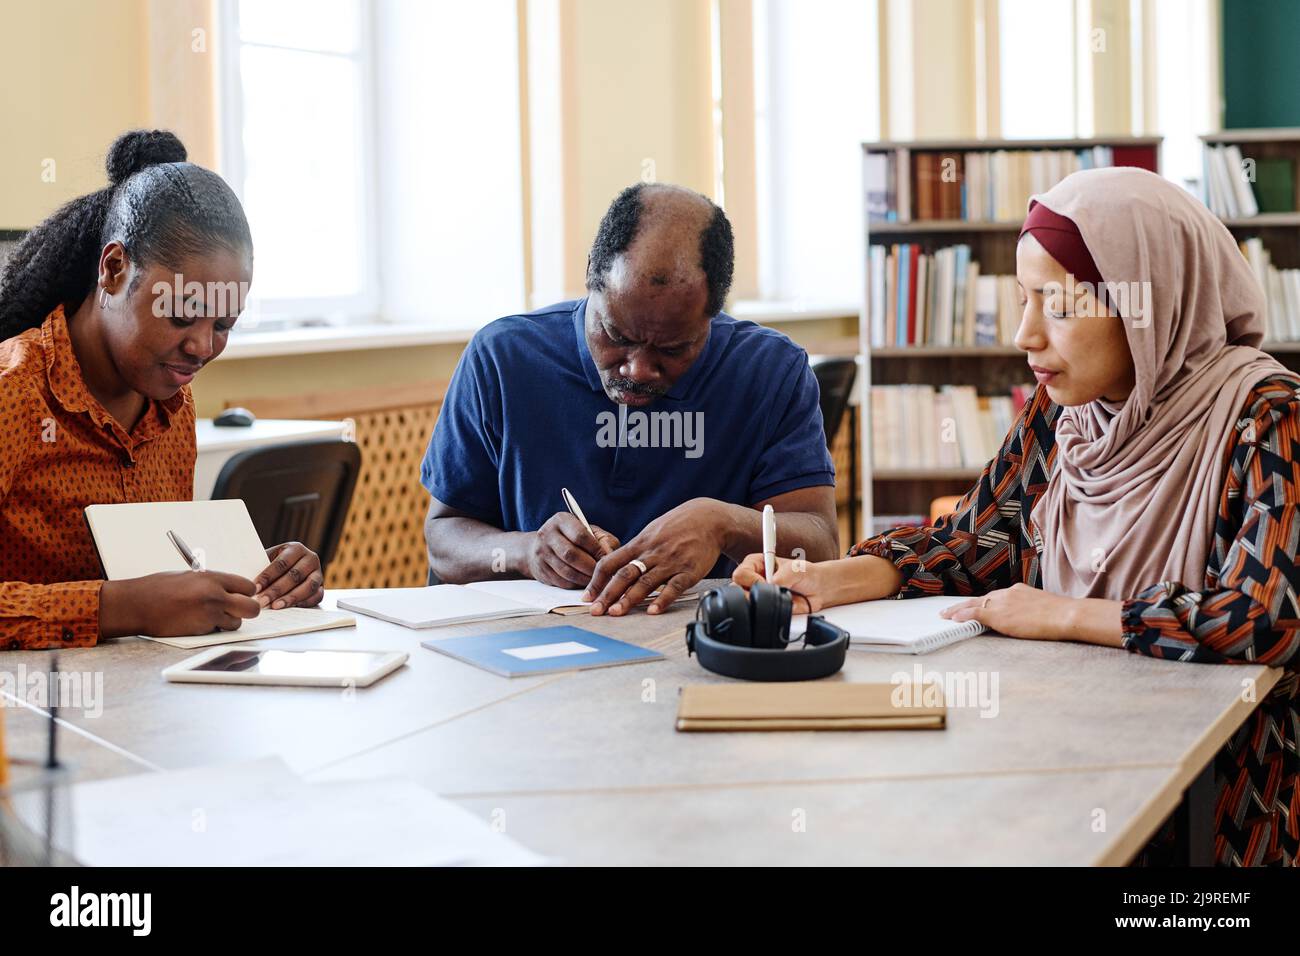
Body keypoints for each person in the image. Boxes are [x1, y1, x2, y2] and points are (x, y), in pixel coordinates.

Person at [734, 167, 1300, 866]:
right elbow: (980, 541)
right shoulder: (1062, 413)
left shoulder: (1268, 414)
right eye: (1023, 300)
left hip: (1218, 806)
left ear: (1146, 307)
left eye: (1057, 306)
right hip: (1064, 755)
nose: (1024, 334)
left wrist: (1066, 614)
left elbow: (1269, 619)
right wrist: (827, 579)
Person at [421, 182, 839, 616]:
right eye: (616, 335)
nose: (637, 370)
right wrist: (524, 553)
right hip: (530, 643)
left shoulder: (770, 371)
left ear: (713, 313)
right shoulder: (503, 359)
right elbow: (444, 540)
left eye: (673, 349)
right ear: (591, 276)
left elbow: (820, 545)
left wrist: (722, 524)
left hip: (703, 644)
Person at [0, 129, 324, 650]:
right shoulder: (15, 393)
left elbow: (156, 568)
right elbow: (136, 602)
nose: (201, 347)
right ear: (112, 269)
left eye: (224, 325)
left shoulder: (171, 401)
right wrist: (119, 608)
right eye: (181, 315)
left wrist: (252, 577)